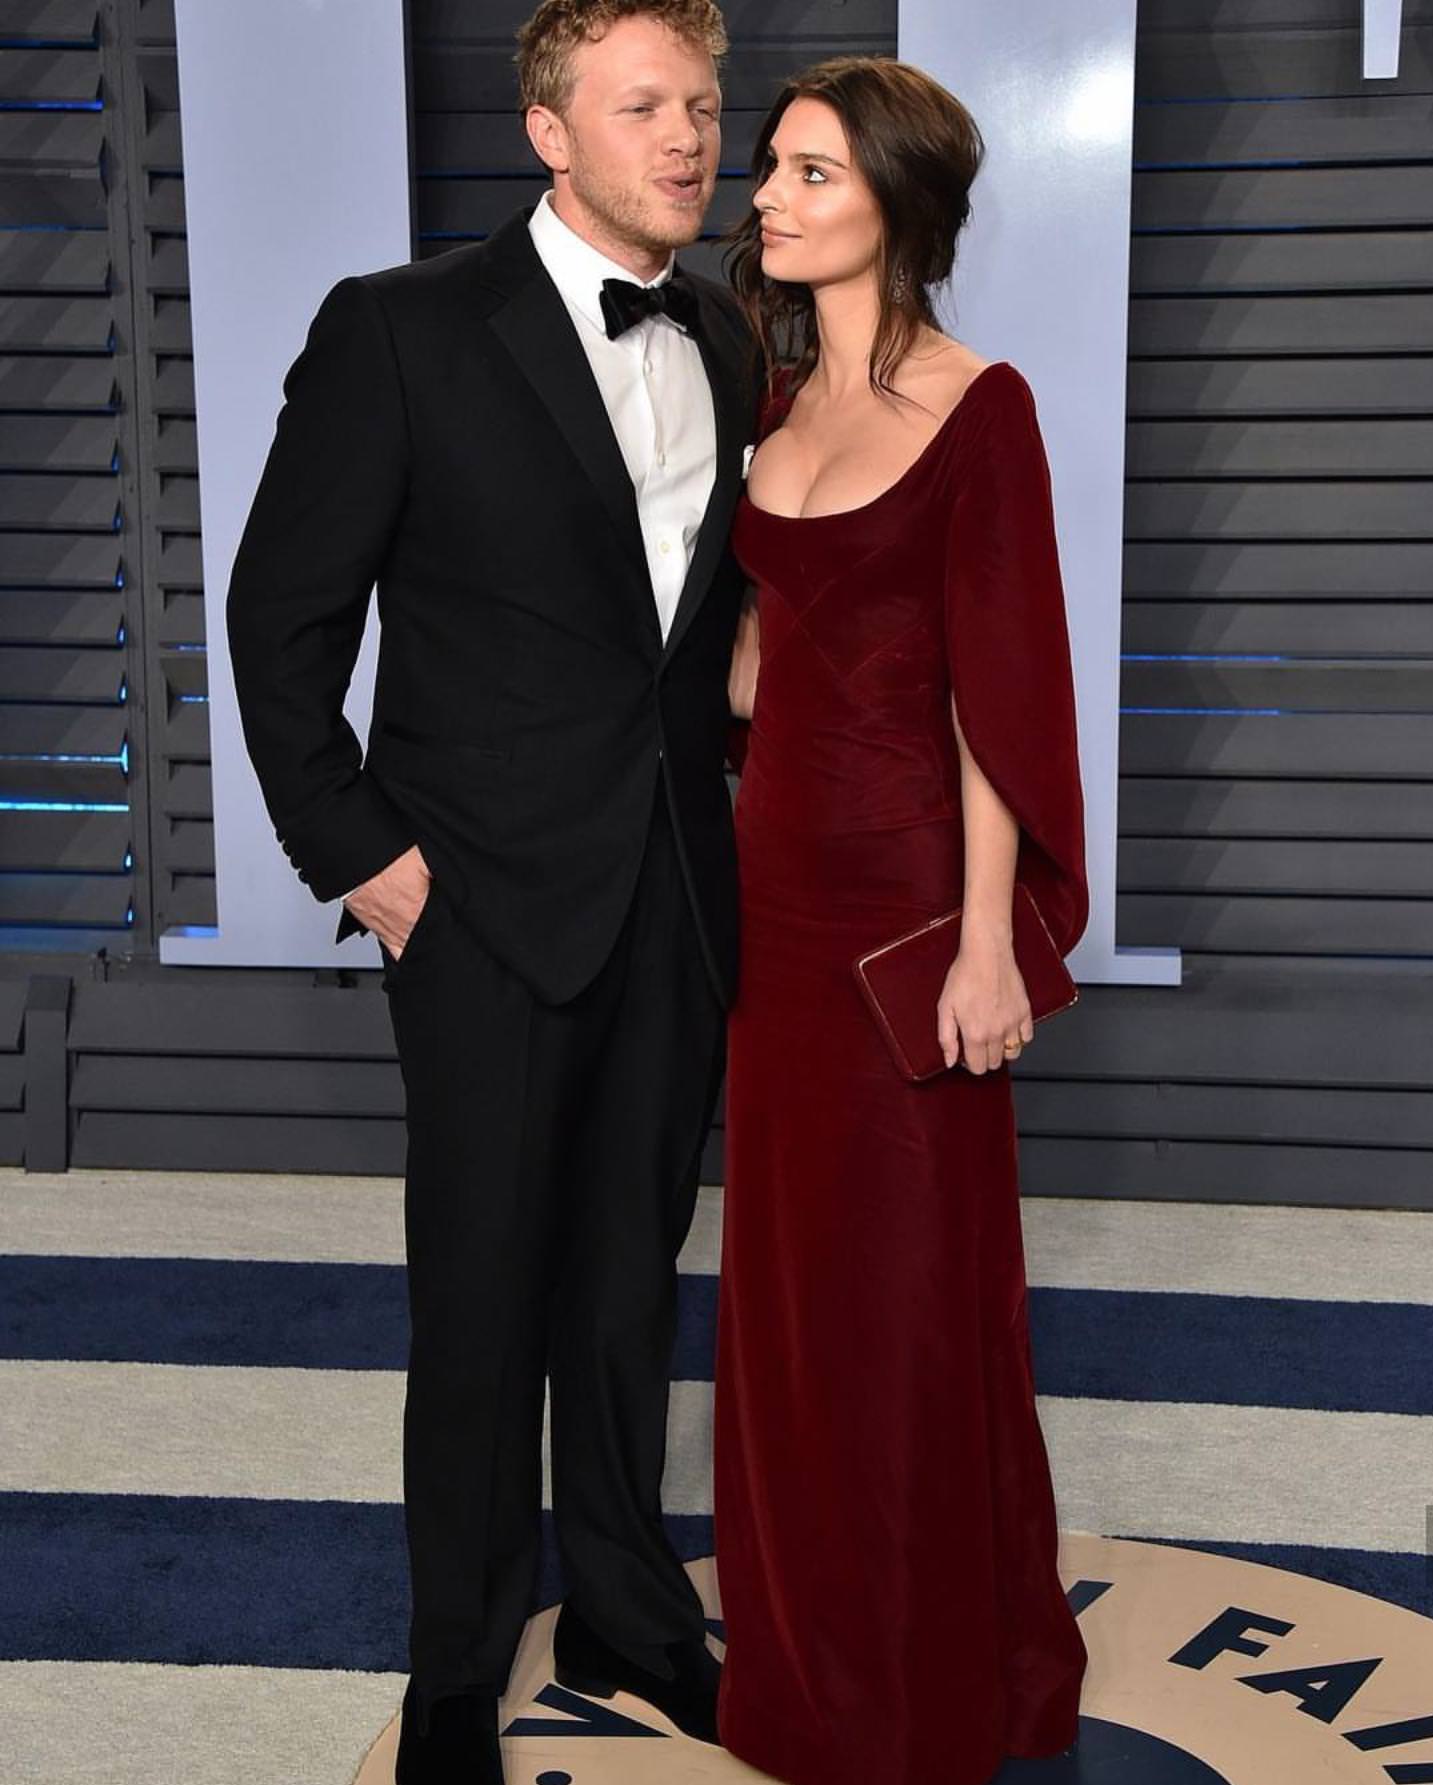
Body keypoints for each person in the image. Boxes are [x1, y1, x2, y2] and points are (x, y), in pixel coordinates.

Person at [225, 3, 757, 1779]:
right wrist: (371, 864)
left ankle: (620, 1596)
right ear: (549, 130)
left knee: (627, 1282)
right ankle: (456, 1656)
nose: (688, 136)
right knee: (476, 1296)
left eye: (701, 100)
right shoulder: (399, 331)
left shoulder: (735, 338)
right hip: (477, 906)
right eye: (643, 104)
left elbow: (698, 637)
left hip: (679, 892)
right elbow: (279, 622)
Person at [714, 57, 1090, 1785]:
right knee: (789, 1302)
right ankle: (803, 1676)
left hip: (905, 916)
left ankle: (936, 1686)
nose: (770, 198)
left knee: (913, 1311)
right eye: (773, 172)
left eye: (807, 174)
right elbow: (758, 664)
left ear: (896, 203)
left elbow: (994, 700)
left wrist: (990, 944)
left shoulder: (979, 404)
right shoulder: (776, 406)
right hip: (770, 908)